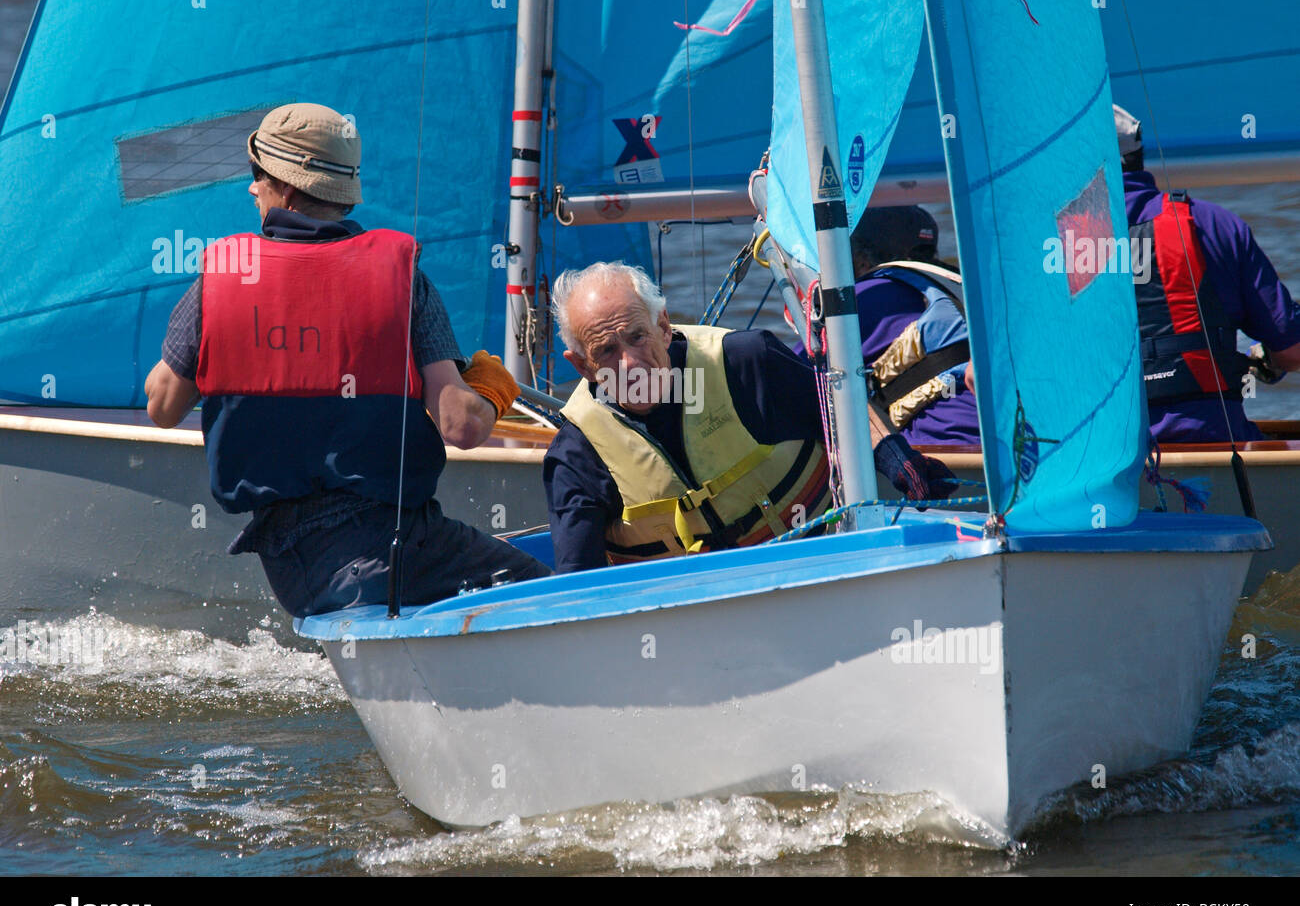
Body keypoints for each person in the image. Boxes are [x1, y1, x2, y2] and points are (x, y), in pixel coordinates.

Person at [144, 102, 549, 615]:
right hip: (396, 544)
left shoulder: (222, 277)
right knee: (548, 591)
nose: (251, 187)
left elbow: (162, 406)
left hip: (292, 565)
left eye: (257, 174)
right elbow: (462, 426)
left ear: (286, 188)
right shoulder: (404, 282)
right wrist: (492, 386)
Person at [542, 261, 957, 573]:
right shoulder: (577, 454)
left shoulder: (747, 361)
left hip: (822, 571)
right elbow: (578, 584)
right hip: (692, 621)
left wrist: (898, 461)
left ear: (664, 327)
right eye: (607, 352)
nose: (630, 364)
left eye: (637, 337)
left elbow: (837, 406)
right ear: (582, 366)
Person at [1115, 103, 1300, 442]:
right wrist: (1266, 358)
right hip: (1209, 445)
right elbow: (1292, 351)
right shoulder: (1216, 225)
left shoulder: (1046, 245)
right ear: (1139, 154)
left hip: (1092, 460)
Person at [793, 206, 980, 446]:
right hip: (1021, 442)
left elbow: (789, 375)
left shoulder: (866, 295)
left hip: (950, 456)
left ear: (860, 260)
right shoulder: (965, 289)